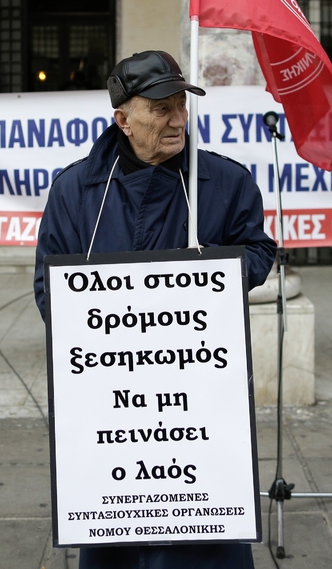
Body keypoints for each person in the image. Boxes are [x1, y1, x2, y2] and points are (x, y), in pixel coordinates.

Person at [34, 50, 277, 569]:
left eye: (181, 106)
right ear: (122, 118)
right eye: (160, 108)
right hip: (114, 403)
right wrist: (100, 344)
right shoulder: (74, 190)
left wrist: (208, 271)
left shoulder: (226, 181)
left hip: (196, 402)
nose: (177, 120)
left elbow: (259, 252)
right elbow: (48, 287)